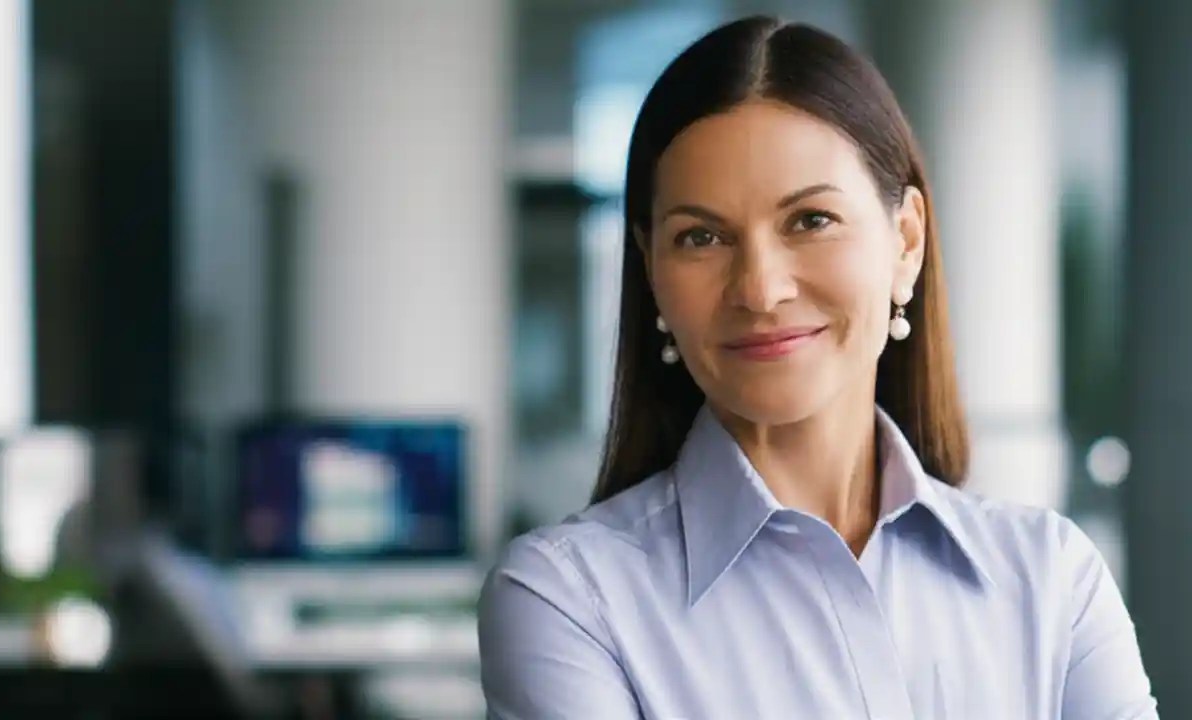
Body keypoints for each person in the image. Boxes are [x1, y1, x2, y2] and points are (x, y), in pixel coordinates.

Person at [477, 15, 1157, 720]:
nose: (761, 289)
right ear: (652, 273)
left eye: (810, 221)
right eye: (701, 237)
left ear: (906, 241)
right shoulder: (568, 600)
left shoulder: (1051, 579)